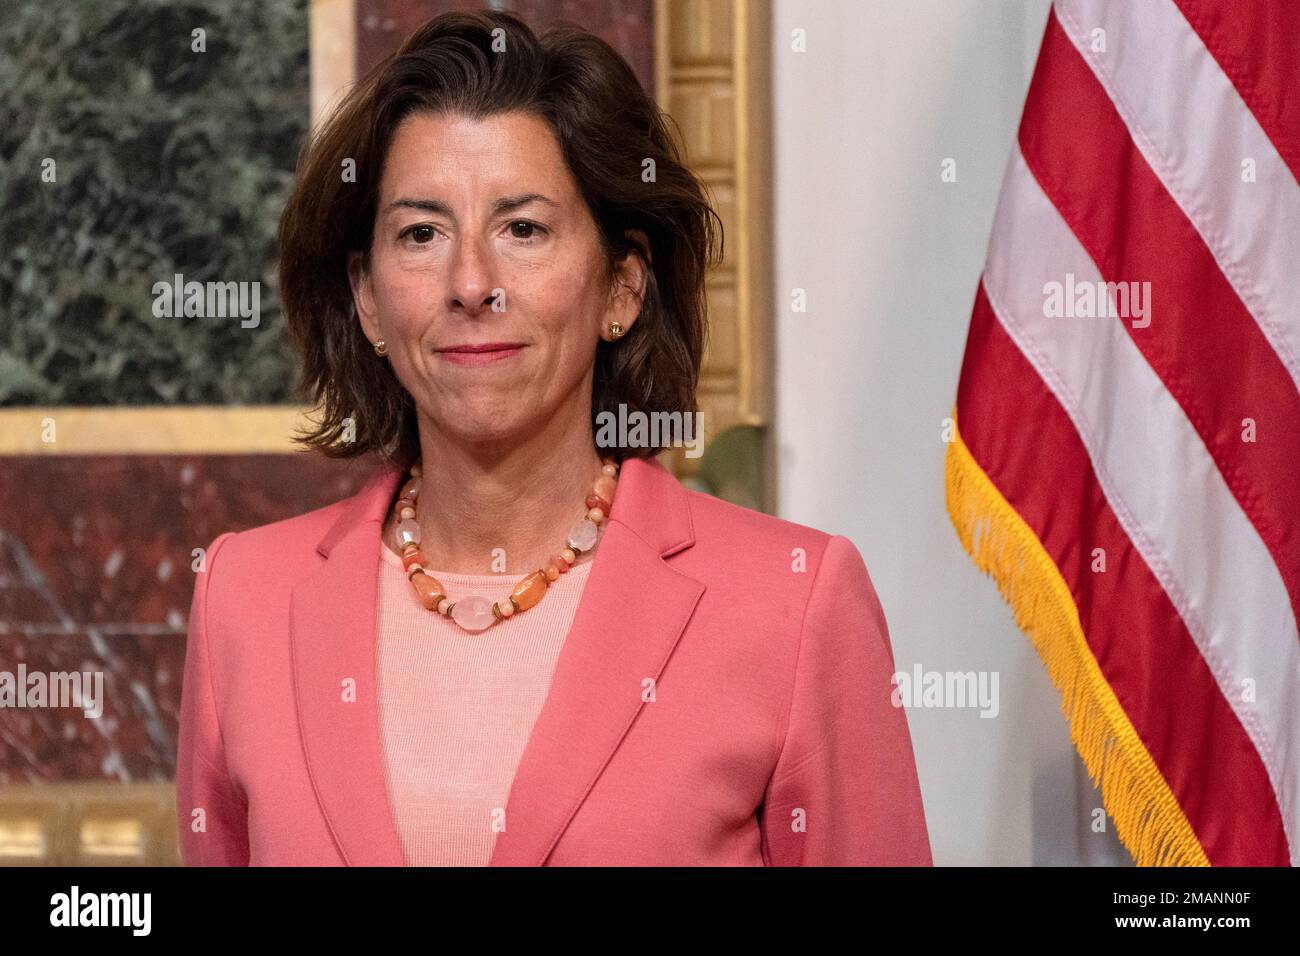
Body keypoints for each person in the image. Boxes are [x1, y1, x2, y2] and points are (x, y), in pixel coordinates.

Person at [175, 9, 931, 866]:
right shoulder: (245, 598)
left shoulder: (793, 605)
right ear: (368, 297)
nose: (471, 283)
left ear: (621, 287)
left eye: (523, 229)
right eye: (421, 233)